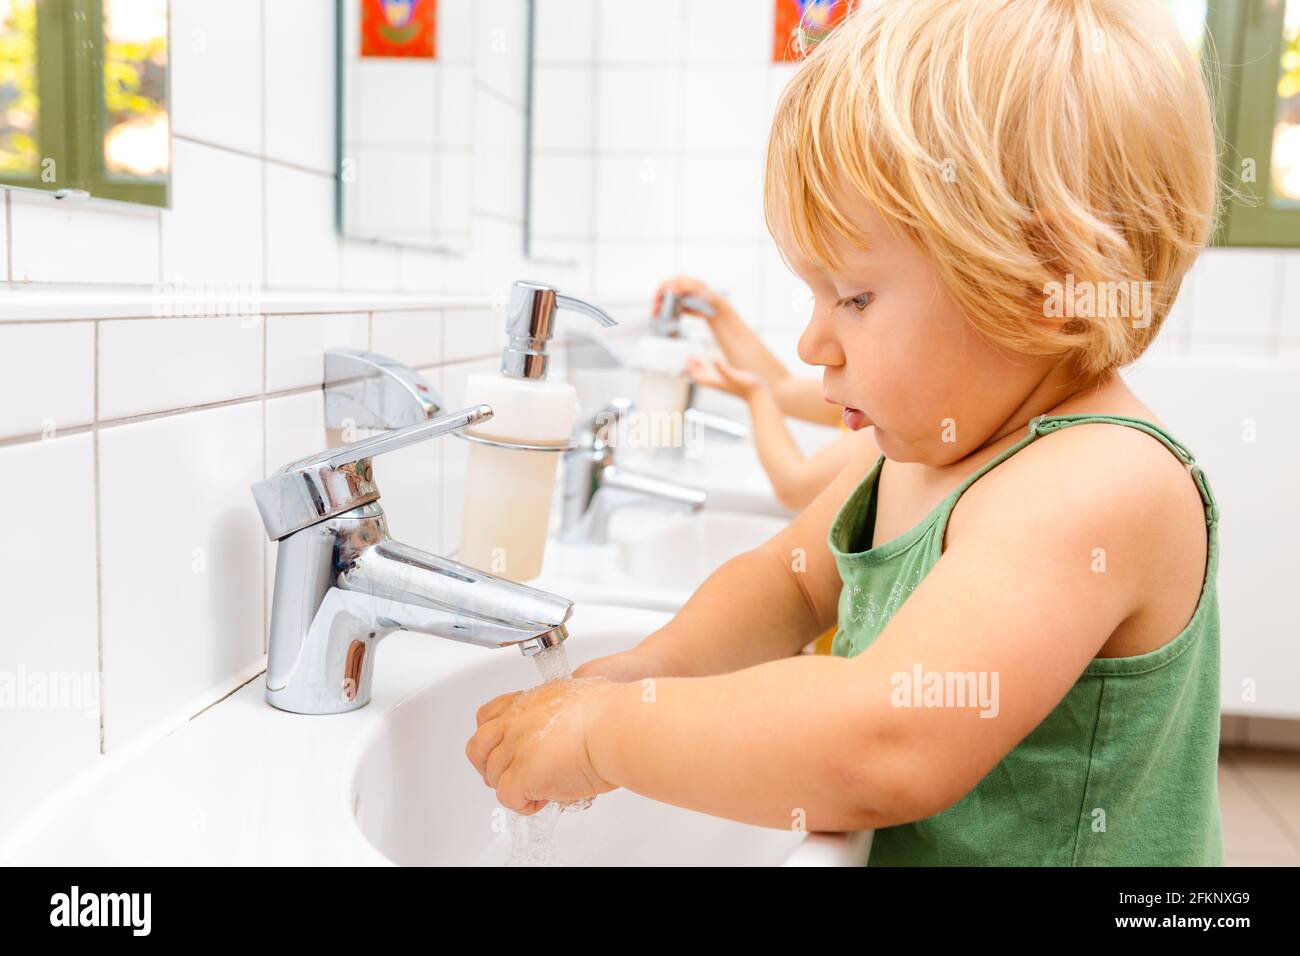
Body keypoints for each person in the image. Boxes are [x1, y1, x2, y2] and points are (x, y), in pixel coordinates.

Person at [467, 0, 1222, 865]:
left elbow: (887, 743)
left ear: (1041, 280)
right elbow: (784, 586)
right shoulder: (927, 447)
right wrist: (651, 672)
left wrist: (610, 735)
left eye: (854, 298)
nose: (811, 343)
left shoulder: (1098, 480)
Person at [651, 275, 877, 512]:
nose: (810, 348)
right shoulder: (863, 399)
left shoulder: (886, 429)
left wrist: (755, 396)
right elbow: (781, 388)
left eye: (858, 301)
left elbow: (796, 488)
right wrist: (716, 312)